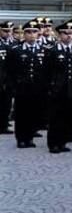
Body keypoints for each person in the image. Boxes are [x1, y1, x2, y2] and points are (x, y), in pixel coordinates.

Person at [8, 19, 47, 148]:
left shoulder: (43, 49)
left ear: (38, 34)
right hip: (22, 88)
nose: (31, 34)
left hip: (37, 87)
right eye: (28, 32)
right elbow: (10, 70)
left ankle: (30, 137)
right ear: (24, 34)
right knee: (21, 114)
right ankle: (21, 138)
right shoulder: (16, 49)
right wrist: (13, 86)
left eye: (34, 32)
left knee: (33, 113)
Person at [44, 20, 72, 154]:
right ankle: (53, 143)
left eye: (71, 33)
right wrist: (49, 88)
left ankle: (63, 142)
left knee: (68, 117)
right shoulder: (52, 51)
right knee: (55, 118)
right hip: (57, 90)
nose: (69, 36)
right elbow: (46, 72)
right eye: (65, 33)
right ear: (59, 35)